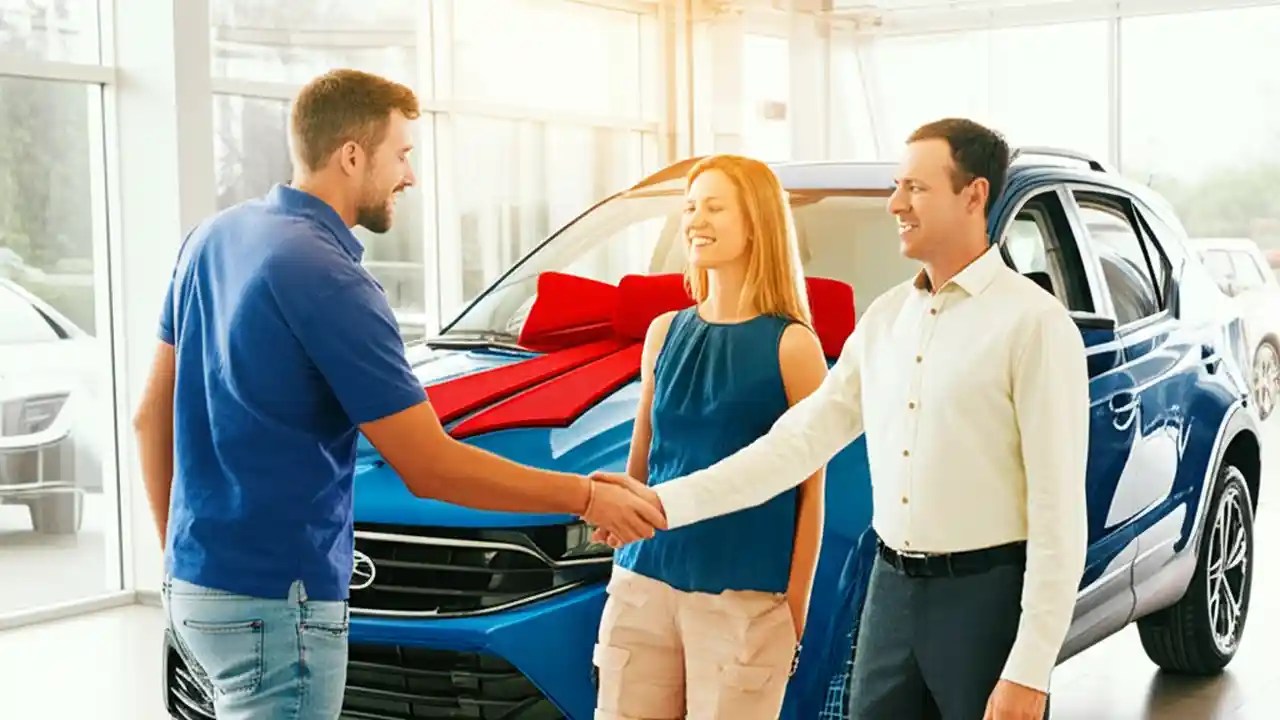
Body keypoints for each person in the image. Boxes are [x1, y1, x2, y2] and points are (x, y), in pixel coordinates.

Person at [132, 68, 665, 720]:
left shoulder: (212, 238)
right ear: (352, 156)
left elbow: (147, 418)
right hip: (280, 600)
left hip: (198, 587)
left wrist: (183, 563)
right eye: (402, 154)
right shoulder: (330, 277)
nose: (408, 176)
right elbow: (429, 464)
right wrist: (585, 494)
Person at [596, 119, 1089, 720]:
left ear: (974, 195)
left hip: (983, 598)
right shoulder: (885, 320)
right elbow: (795, 445)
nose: (896, 203)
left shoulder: (1033, 324)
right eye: (896, 186)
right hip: (891, 592)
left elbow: (1060, 515)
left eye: (915, 188)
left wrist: (1029, 669)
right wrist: (659, 506)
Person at [592, 154, 828, 720]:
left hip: (743, 603)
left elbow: (811, 496)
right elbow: (640, 465)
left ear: (757, 222)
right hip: (642, 586)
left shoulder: (794, 348)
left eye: (715, 207)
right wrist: (623, 562)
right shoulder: (664, 332)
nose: (696, 219)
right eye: (690, 206)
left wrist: (791, 613)